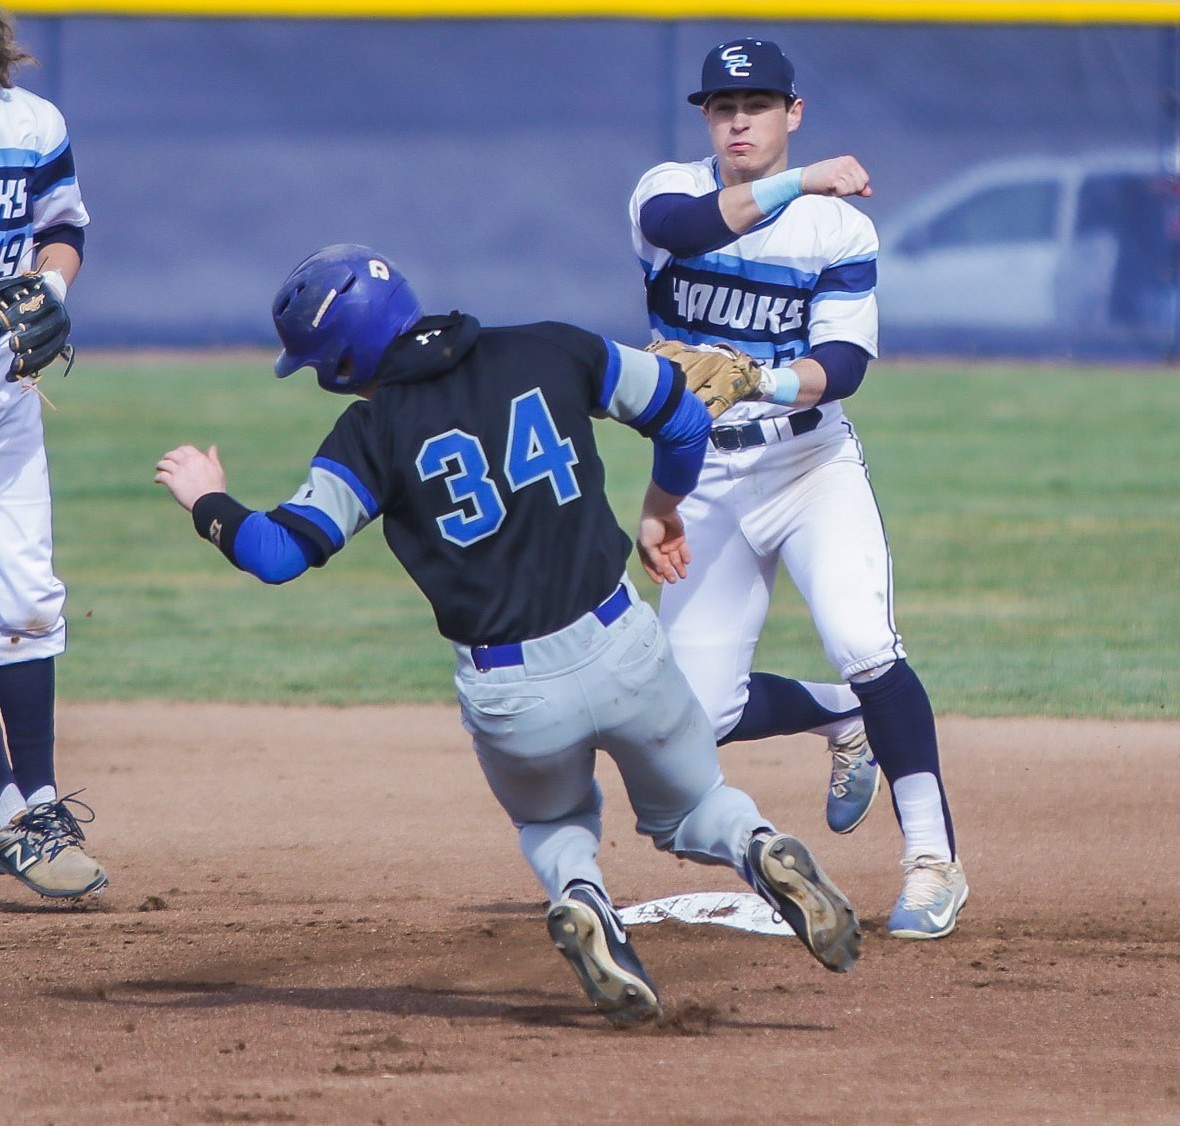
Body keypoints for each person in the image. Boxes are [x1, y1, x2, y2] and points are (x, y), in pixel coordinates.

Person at [154, 244, 860, 1027]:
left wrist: (207, 500)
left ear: (342, 363)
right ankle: (758, 846)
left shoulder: (368, 433)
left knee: (553, 823)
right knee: (695, 806)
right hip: (622, 643)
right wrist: (661, 508)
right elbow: (684, 415)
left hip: (513, 692)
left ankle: (582, 895)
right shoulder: (552, 345)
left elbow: (278, 554)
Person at [628, 37, 967, 939]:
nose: (738, 119)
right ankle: (840, 715)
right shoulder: (661, 190)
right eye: (722, 105)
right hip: (703, 475)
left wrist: (758, 380)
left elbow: (843, 364)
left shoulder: (839, 231)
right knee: (694, 721)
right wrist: (803, 177)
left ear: (791, 110)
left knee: (864, 637)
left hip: (808, 465)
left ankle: (932, 860)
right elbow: (689, 229)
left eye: (758, 103)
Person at [0, 11, 108, 900]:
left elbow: (61, 224)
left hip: (6, 404)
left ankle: (36, 798)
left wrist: (53, 284)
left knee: (29, 599)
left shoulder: (32, 124)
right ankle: (10, 810)